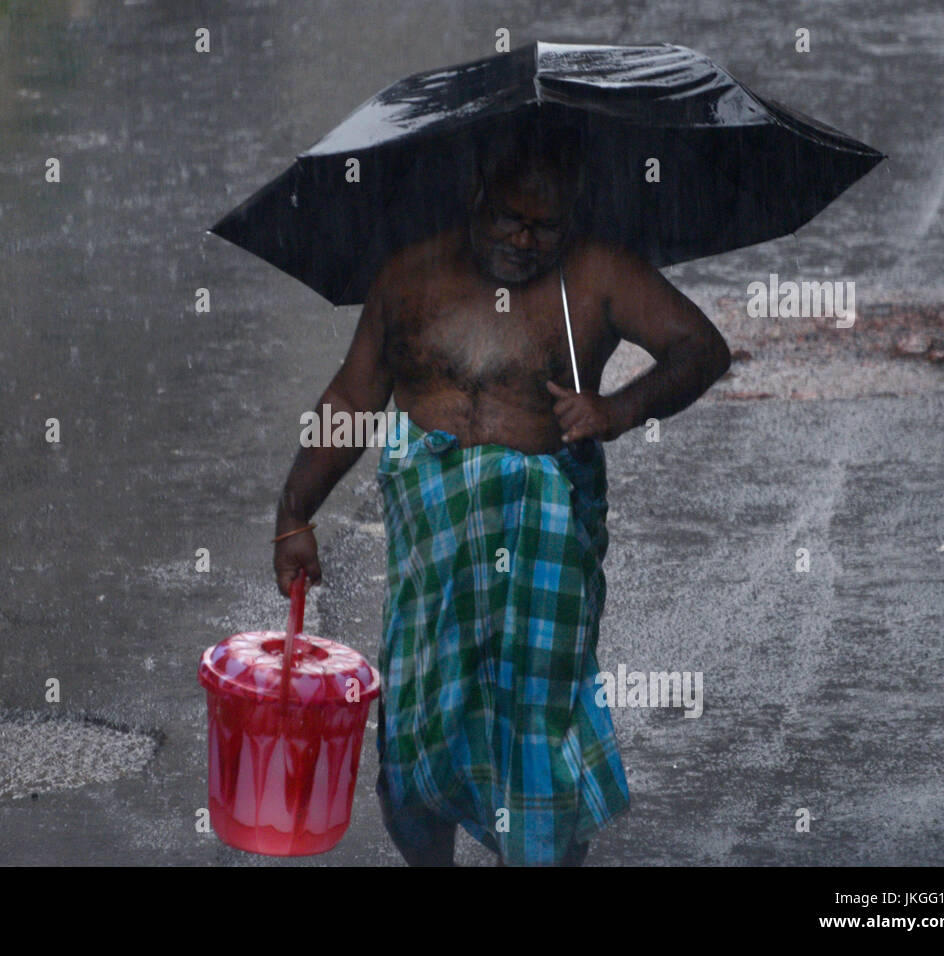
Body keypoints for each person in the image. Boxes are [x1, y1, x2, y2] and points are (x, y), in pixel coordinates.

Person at [271, 119, 731, 865]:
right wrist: (294, 512)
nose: (526, 240)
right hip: (435, 554)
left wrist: (617, 411)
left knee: (538, 729)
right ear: (474, 194)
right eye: (510, 218)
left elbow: (701, 348)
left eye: (546, 226)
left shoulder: (598, 272)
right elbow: (352, 400)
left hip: (545, 550)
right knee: (420, 724)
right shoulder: (408, 277)